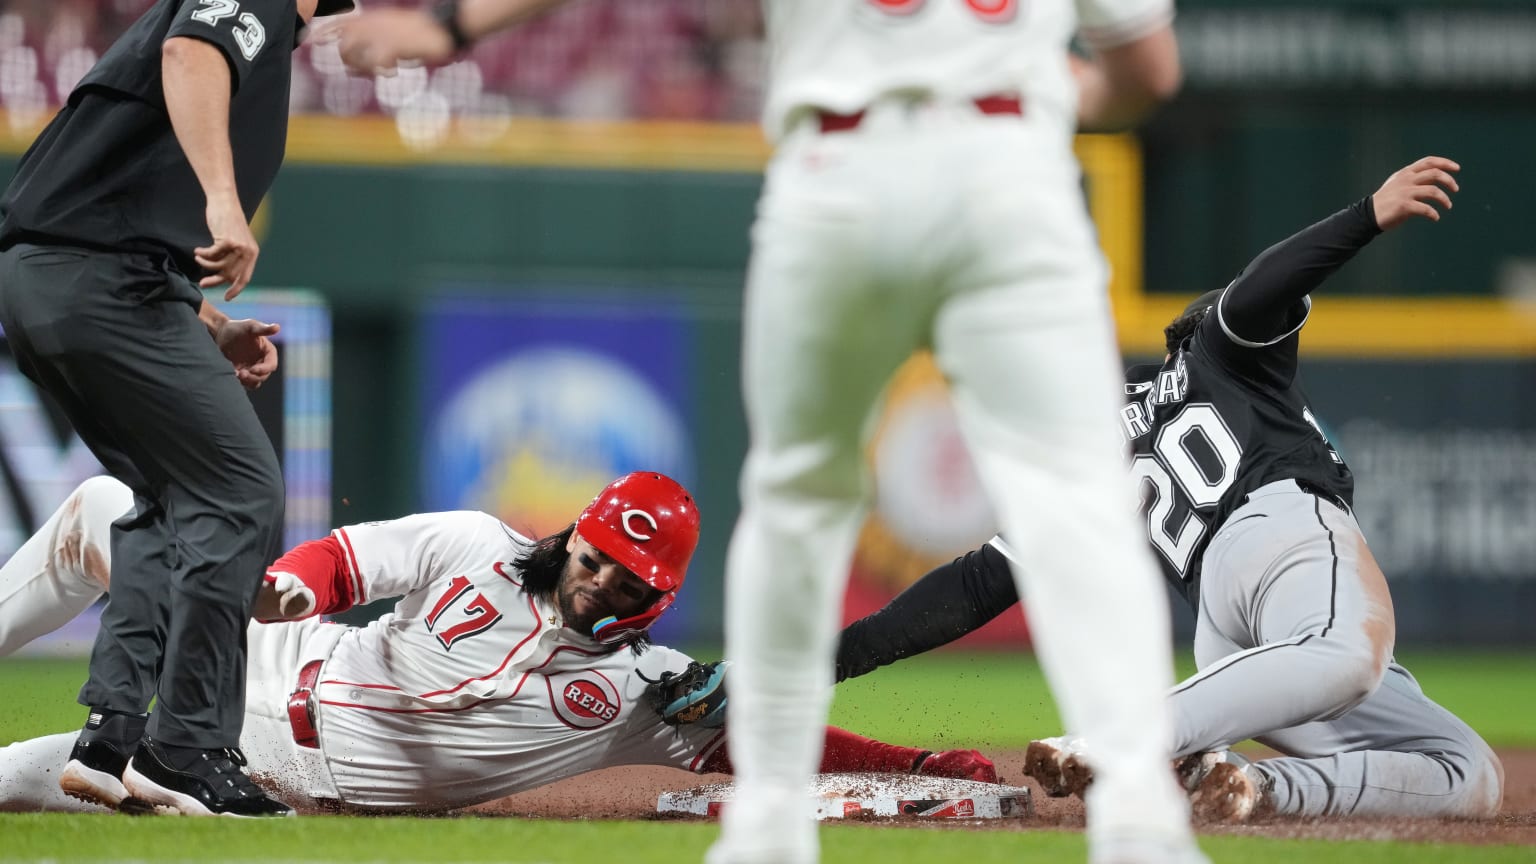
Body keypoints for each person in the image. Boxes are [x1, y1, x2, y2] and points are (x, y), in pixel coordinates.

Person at [324, 3, 1198, 862]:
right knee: (1077, 505)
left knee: (797, 504)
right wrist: (1045, 84)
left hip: (839, 168)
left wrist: (451, 27)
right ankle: (1139, 821)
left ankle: (771, 828)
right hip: (1013, 170)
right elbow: (1148, 72)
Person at [831, 156, 1505, 823]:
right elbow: (1260, 288)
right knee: (1348, 653)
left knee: (1467, 767)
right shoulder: (1219, 354)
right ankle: (1120, 738)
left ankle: (1251, 785)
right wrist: (1366, 216)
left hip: (1228, 631)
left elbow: (978, 584)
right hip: (1280, 537)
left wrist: (835, 657)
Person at [0, 472, 998, 815]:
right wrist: (283, 589)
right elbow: (342, 563)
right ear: (578, 533)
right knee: (107, 508)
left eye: (627, 580)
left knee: (25, 775)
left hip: (269, 776)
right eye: (595, 555)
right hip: (260, 664)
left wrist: (914, 766)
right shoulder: (475, 542)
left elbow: (771, 743)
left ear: (659, 597)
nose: (597, 579)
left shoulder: (649, 690)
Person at [0, 0, 355, 818]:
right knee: (238, 490)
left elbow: (113, 208)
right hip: (99, 281)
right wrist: (224, 203)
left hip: (71, 277)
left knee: (172, 503)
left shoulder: (270, 34)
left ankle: (110, 736)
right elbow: (192, 52)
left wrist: (210, 322)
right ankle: (187, 749)